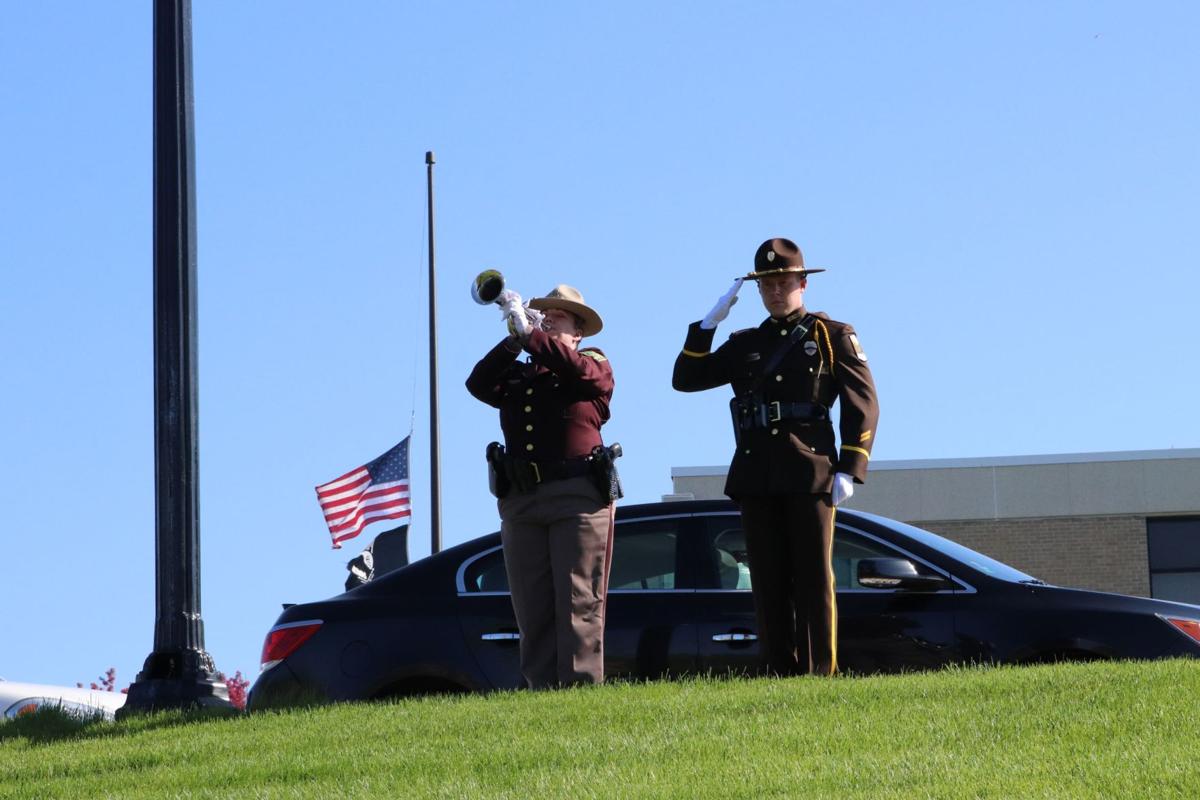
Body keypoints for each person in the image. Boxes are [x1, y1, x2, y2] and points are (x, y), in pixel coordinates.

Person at [672, 237, 879, 676]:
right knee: (767, 580)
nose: (775, 292)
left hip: (811, 471)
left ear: (802, 283)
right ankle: (777, 668)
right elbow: (686, 379)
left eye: (783, 283)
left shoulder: (830, 335)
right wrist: (706, 326)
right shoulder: (746, 342)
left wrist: (851, 465)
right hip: (757, 472)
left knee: (812, 578)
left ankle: (820, 670)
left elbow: (862, 402)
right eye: (766, 285)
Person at [466, 284, 617, 688]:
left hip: (577, 496)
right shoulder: (521, 372)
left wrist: (534, 337)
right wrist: (513, 340)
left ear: (578, 332)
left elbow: (586, 376)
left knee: (578, 601)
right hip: (523, 499)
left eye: (559, 317)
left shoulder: (592, 362)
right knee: (531, 605)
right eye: (543, 314)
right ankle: (542, 692)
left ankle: (581, 690)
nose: (547, 319)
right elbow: (478, 384)